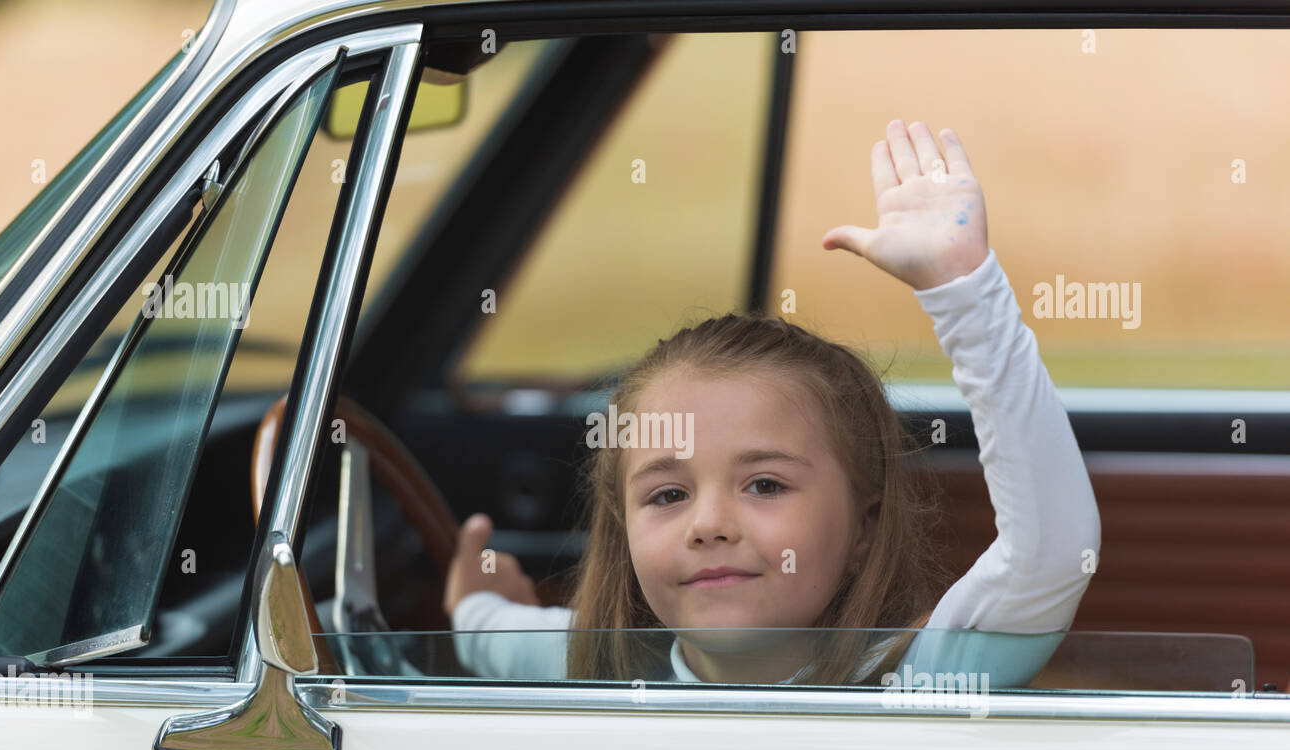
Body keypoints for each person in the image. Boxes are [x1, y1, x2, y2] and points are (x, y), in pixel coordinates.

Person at [442, 119, 1100, 687]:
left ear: (862, 529)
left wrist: (964, 290)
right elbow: (512, 636)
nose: (709, 523)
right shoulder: (607, 669)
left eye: (764, 483)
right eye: (668, 495)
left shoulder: (916, 679)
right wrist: (474, 612)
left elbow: (1053, 554)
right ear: (622, 529)